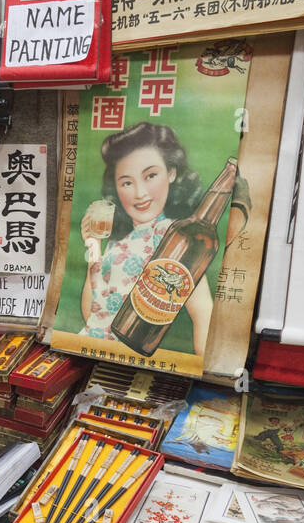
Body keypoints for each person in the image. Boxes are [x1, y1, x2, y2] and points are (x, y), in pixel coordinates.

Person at [79, 122, 218, 354]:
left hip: (136, 360)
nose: (140, 193)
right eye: (126, 182)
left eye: (150, 175)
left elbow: (203, 311)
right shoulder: (120, 239)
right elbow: (95, 313)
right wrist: (94, 245)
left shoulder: (176, 237)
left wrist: (203, 371)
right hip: (94, 352)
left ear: (171, 172)